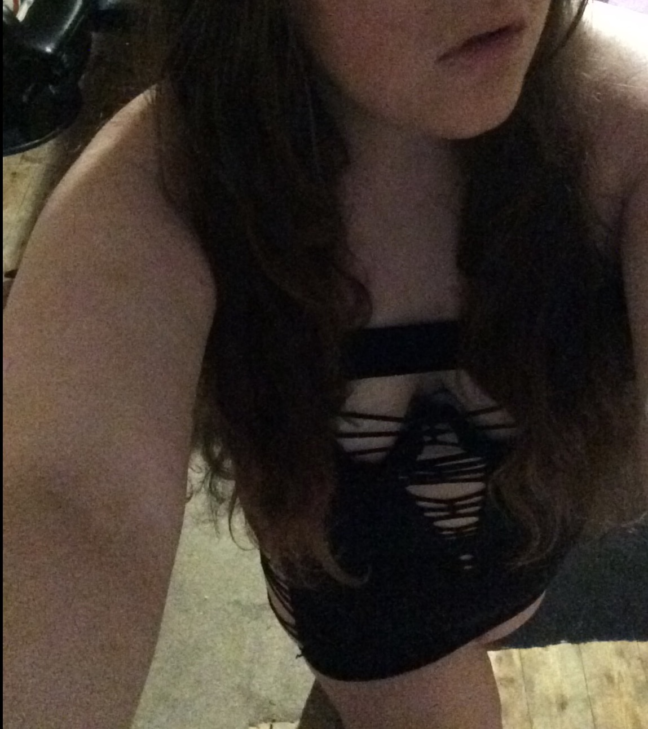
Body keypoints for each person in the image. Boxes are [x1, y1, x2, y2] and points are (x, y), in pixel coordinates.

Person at [4, 1, 648, 727]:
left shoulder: (617, 124)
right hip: (373, 629)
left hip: (525, 569)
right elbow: (71, 502)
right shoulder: (171, 189)